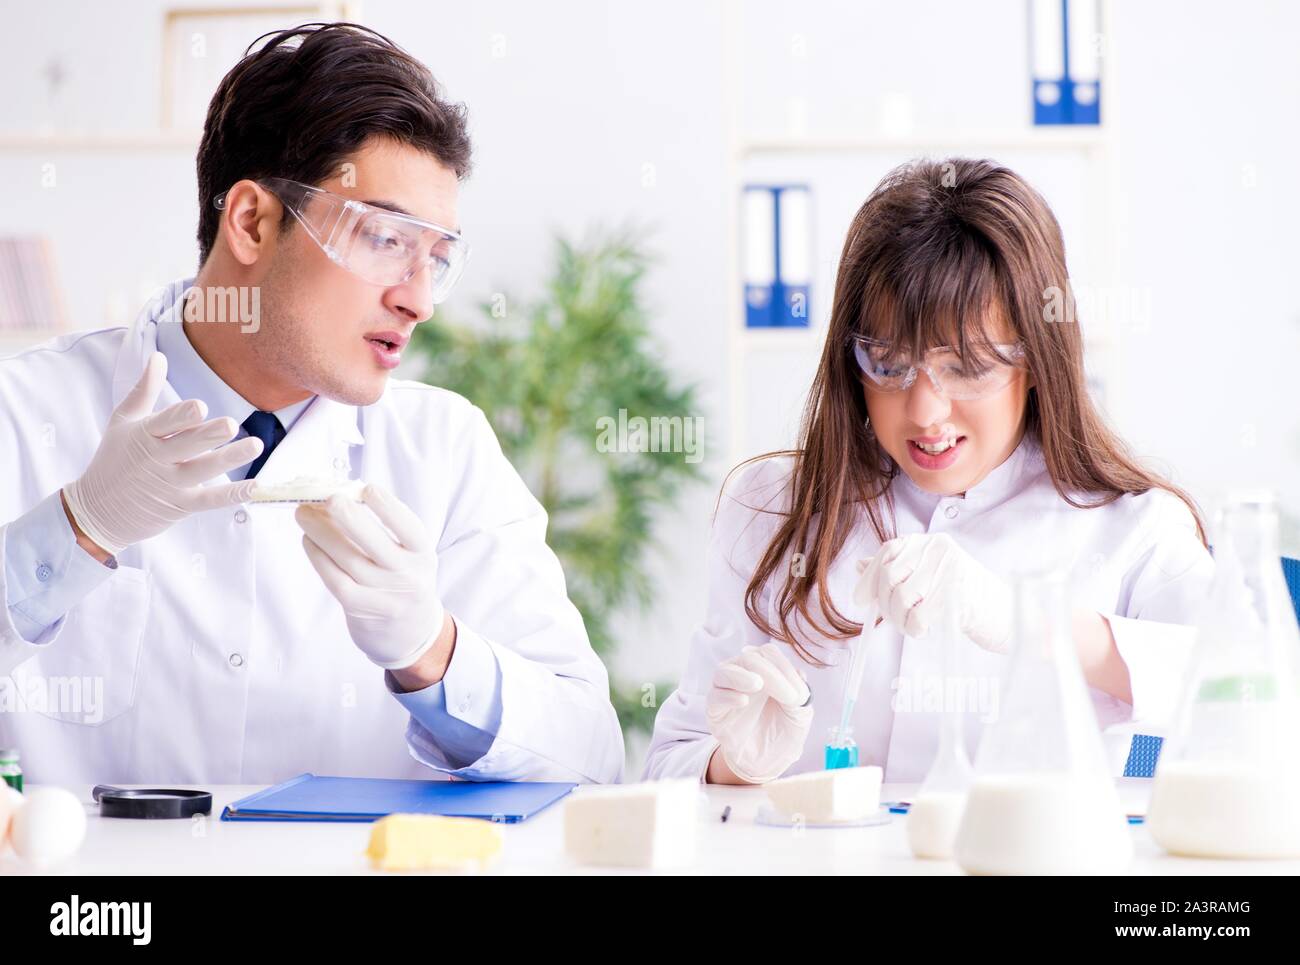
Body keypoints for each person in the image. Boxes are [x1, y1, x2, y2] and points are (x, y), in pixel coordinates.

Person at [0, 23, 623, 786]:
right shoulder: (24, 414)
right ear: (253, 222)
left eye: (438, 258)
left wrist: (432, 650)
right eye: (386, 238)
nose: (419, 299)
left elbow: (592, 754)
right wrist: (73, 532)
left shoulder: (445, 449)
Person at [644, 158, 1214, 785]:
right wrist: (732, 766)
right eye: (887, 363)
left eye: (967, 368)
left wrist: (1027, 622)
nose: (924, 411)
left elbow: (1241, 710)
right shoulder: (772, 510)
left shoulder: (1136, 529)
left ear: (1038, 359)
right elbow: (666, 766)